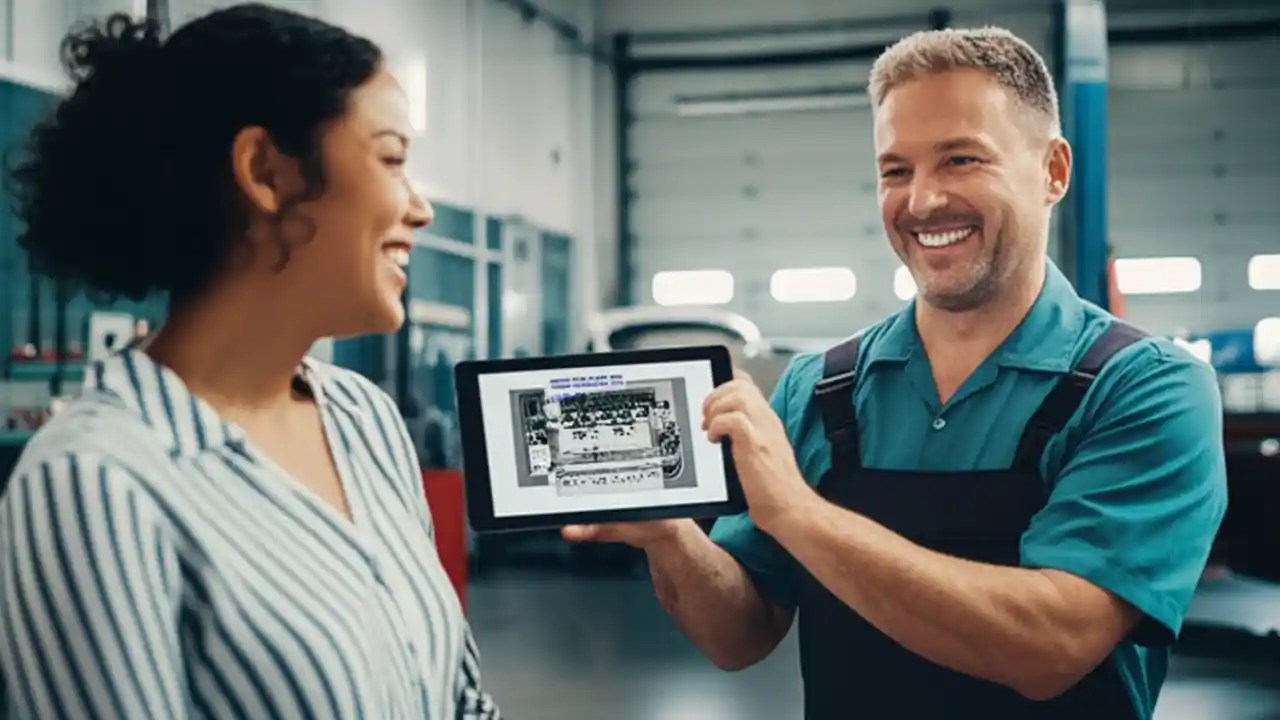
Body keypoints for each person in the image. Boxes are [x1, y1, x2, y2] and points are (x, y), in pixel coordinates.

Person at [565, 26, 1227, 719]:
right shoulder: (819, 389)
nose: (922, 201)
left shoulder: (1144, 388)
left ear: (1053, 171)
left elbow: (1050, 646)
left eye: (961, 159)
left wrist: (797, 512)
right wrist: (670, 536)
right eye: (896, 171)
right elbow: (740, 634)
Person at [0, 5, 500, 719]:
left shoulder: (364, 419)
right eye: (391, 159)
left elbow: (463, 702)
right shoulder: (95, 482)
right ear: (266, 171)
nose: (420, 208)